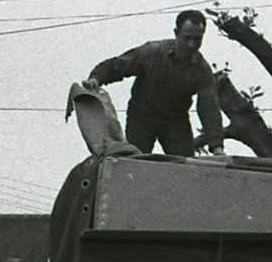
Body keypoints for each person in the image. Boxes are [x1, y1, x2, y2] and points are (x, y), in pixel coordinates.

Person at [84, 10, 225, 157]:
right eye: (187, 38)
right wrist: (96, 78)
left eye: (197, 39)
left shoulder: (202, 70)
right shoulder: (151, 52)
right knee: (134, 161)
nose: (192, 44)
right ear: (176, 33)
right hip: (141, 117)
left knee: (186, 165)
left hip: (175, 121)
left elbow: (209, 109)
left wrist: (217, 146)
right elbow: (118, 65)